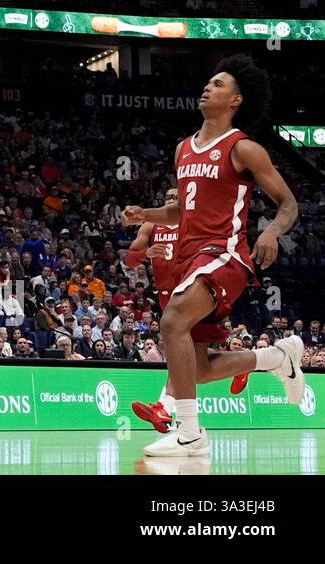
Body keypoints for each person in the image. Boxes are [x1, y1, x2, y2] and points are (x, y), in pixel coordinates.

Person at [123, 56, 303, 457]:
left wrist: (272, 231)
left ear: (235, 99)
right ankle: (275, 357)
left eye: (218, 84)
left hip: (224, 255)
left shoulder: (244, 148)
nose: (208, 87)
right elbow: (181, 212)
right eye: (208, 82)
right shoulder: (183, 148)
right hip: (189, 258)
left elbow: (288, 203)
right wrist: (145, 214)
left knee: (173, 321)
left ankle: (189, 432)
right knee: (198, 368)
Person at [125, 188, 249, 433]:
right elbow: (129, 259)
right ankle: (240, 364)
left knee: (182, 350)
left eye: (176, 197)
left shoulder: (194, 222)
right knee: (187, 354)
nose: (171, 200)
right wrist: (145, 253)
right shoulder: (151, 226)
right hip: (165, 295)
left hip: (193, 291)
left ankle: (164, 407)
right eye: (168, 197)